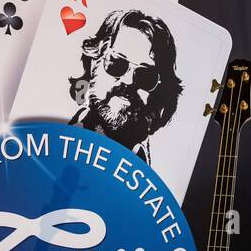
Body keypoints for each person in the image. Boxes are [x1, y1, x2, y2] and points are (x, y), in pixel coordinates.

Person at [67, 10, 182, 163]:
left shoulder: (142, 167)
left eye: (145, 76)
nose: (128, 81)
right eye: (117, 63)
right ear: (96, 61)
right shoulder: (65, 134)